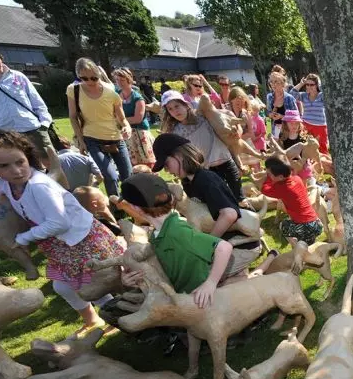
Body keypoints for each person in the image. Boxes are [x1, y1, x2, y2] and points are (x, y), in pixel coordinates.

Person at [0, 131, 124, 336]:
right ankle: (93, 319)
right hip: (61, 244)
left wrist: (23, 238)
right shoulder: (5, 183)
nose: (16, 170)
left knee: (96, 284)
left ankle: (120, 320)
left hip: (80, 240)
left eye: (20, 161)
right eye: (3, 166)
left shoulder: (39, 187)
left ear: (27, 157)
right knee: (62, 286)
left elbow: (59, 223)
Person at [112, 172, 235, 309]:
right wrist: (132, 279)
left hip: (198, 302)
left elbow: (224, 247)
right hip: (182, 296)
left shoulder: (177, 232)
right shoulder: (159, 233)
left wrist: (210, 283)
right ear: (170, 198)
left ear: (135, 208)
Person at [150, 133, 262, 274]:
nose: (167, 170)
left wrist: (208, 244)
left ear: (179, 156)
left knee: (204, 277)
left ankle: (259, 267)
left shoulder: (206, 179)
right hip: (224, 242)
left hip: (244, 244)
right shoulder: (188, 182)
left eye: (166, 164)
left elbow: (229, 214)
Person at [159, 90, 244, 203]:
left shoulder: (202, 115)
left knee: (241, 199)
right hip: (207, 170)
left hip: (226, 161)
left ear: (186, 104)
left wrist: (237, 130)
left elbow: (226, 119)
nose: (175, 111)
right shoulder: (175, 132)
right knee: (223, 201)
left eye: (177, 106)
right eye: (170, 109)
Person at [67, 57, 133, 199]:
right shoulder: (74, 90)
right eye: (84, 78)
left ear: (99, 75)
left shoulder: (111, 91)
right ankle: (117, 208)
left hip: (115, 138)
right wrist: (81, 140)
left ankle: (131, 204)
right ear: (78, 77)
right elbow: (73, 117)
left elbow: (121, 118)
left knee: (127, 176)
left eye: (94, 78)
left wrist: (127, 127)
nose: (90, 82)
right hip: (92, 139)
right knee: (111, 176)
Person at [0, 51, 54, 166]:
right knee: (14, 167)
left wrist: (44, 124)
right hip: (3, 132)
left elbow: (36, 100)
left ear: (1, 59)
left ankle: (58, 184)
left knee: (50, 162)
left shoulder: (18, 76)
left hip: (31, 127)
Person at [259, 154, 323, 244]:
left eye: (270, 174)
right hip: (316, 223)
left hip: (305, 226)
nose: (269, 176)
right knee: (308, 241)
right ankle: (308, 242)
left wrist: (267, 178)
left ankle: (297, 247)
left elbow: (263, 189)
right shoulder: (297, 179)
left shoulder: (281, 187)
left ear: (281, 177)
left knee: (284, 225)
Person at [113, 68, 155, 168]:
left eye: (122, 80)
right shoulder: (116, 96)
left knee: (145, 164)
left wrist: (120, 120)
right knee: (129, 164)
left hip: (140, 134)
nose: (119, 83)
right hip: (125, 133)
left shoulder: (138, 98)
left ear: (129, 80)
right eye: (117, 80)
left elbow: (138, 119)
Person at [290, 74, 329, 154]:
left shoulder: (321, 95)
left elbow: (327, 94)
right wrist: (301, 83)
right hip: (306, 125)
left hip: (320, 126)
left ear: (317, 85)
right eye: (307, 84)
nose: (308, 86)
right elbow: (291, 95)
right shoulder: (304, 95)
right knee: (305, 149)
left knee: (322, 149)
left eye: (311, 85)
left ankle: (322, 166)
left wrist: (319, 85)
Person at [229, 86, 266, 154]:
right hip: (233, 146)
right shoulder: (227, 112)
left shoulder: (246, 113)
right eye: (237, 99)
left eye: (241, 99)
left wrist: (238, 139)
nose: (239, 101)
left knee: (255, 163)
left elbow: (250, 133)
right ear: (231, 100)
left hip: (247, 143)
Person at [267, 71, 298, 140]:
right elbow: (268, 116)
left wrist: (282, 116)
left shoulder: (289, 98)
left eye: (276, 81)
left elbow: (296, 117)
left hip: (288, 132)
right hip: (275, 132)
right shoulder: (269, 97)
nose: (273, 84)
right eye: (271, 82)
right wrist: (268, 133)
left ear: (282, 83)